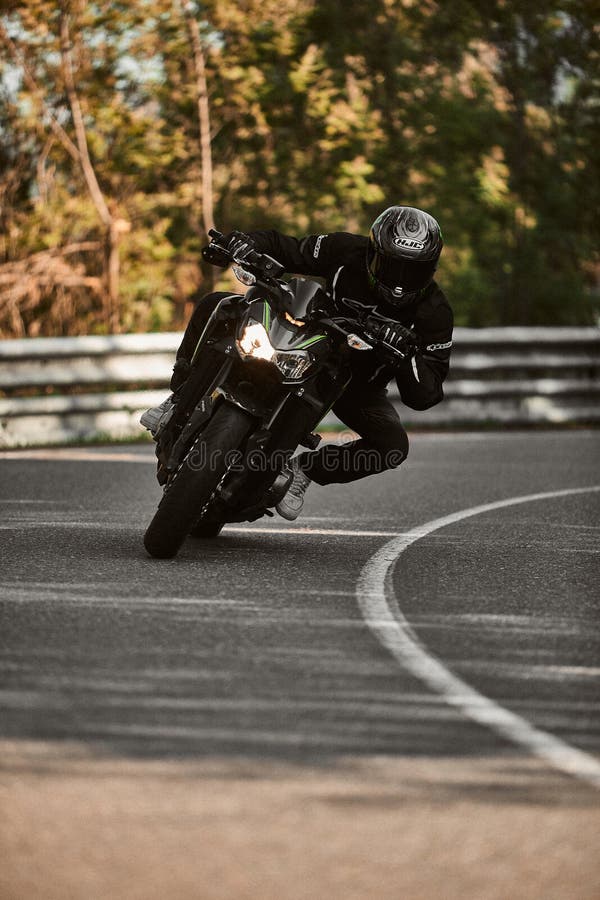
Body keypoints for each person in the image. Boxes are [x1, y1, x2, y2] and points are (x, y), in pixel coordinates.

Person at [142, 206, 453, 520]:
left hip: (357, 384)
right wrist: (244, 242)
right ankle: (178, 396)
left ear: (431, 268)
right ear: (373, 252)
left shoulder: (435, 312)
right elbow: (287, 247)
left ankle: (304, 470)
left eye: (413, 271)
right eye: (391, 266)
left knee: (393, 447)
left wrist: (406, 354)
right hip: (304, 342)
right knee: (219, 304)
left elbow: (426, 393)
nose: (400, 281)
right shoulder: (346, 250)